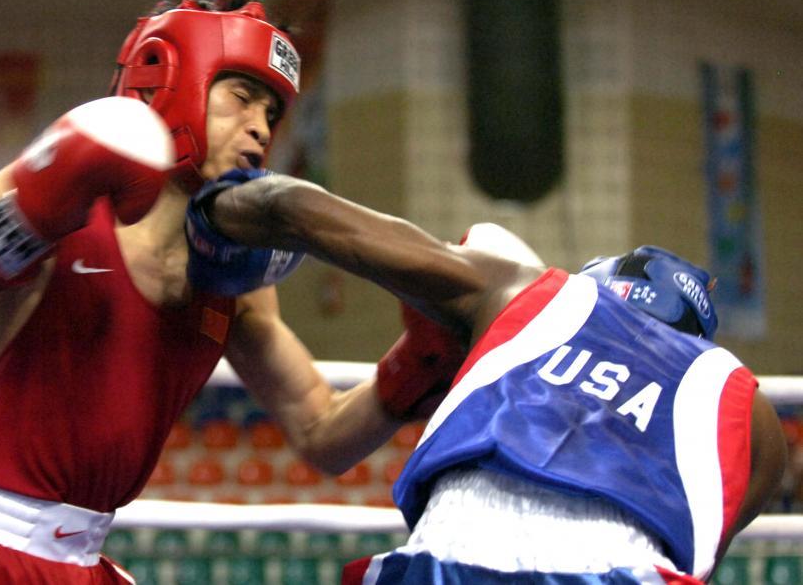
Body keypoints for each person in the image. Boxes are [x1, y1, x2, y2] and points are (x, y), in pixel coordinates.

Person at [0, 0, 442, 583]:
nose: (259, 128)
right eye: (242, 98)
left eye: (272, 114)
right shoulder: (64, 201)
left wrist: (414, 367)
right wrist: (30, 218)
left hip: (83, 563)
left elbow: (322, 433)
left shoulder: (233, 272)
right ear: (174, 82)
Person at [185, 169, 787, 584]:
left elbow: (293, 209)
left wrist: (209, 219)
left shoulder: (533, 292)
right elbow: (693, 559)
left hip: (449, 556)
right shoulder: (748, 412)